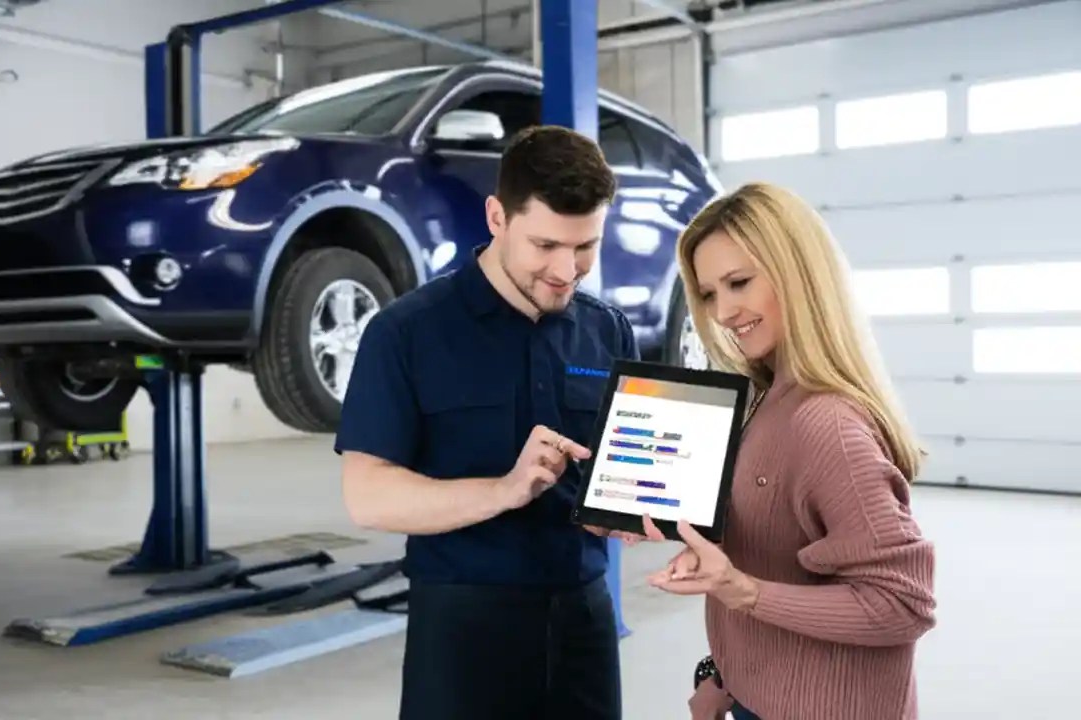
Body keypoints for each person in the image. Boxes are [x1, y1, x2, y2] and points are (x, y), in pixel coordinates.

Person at [333, 124, 638, 720]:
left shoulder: (608, 331)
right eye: (545, 245)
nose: (566, 270)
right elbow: (367, 498)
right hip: (462, 626)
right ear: (497, 217)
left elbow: (625, 470)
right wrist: (502, 491)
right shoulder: (406, 333)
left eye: (585, 246)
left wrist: (634, 504)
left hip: (585, 618)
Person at [626, 182, 938, 720]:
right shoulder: (767, 398)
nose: (723, 311)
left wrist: (741, 591)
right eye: (708, 294)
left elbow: (902, 604)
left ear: (796, 272)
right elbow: (774, 542)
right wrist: (721, 675)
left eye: (738, 282)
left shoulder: (826, 425)